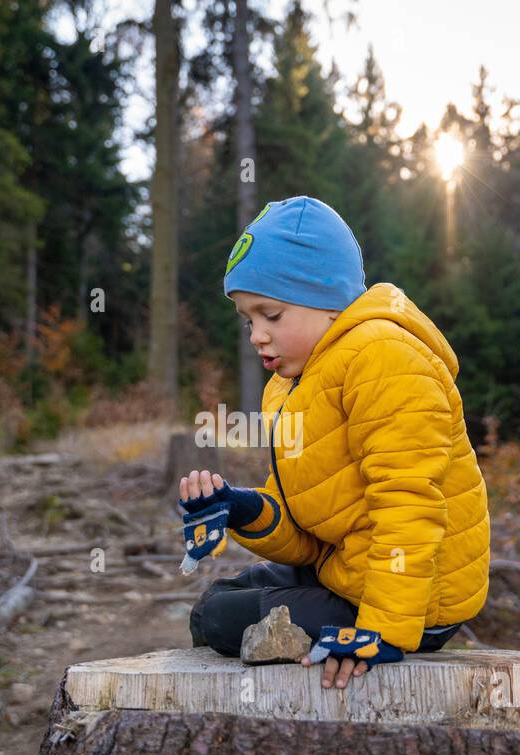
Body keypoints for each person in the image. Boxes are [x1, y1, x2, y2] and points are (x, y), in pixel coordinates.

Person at [181, 195, 490, 690]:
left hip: (415, 601)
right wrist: (239, 508)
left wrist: (382, 631)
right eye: (248, 320)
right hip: (347, 573)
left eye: (272, 314)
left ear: (327, 302)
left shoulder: (385, 358)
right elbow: (305, 531)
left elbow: (408, 504)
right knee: (217, 600)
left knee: (219, 618)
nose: (257, 335)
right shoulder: (290, 385)